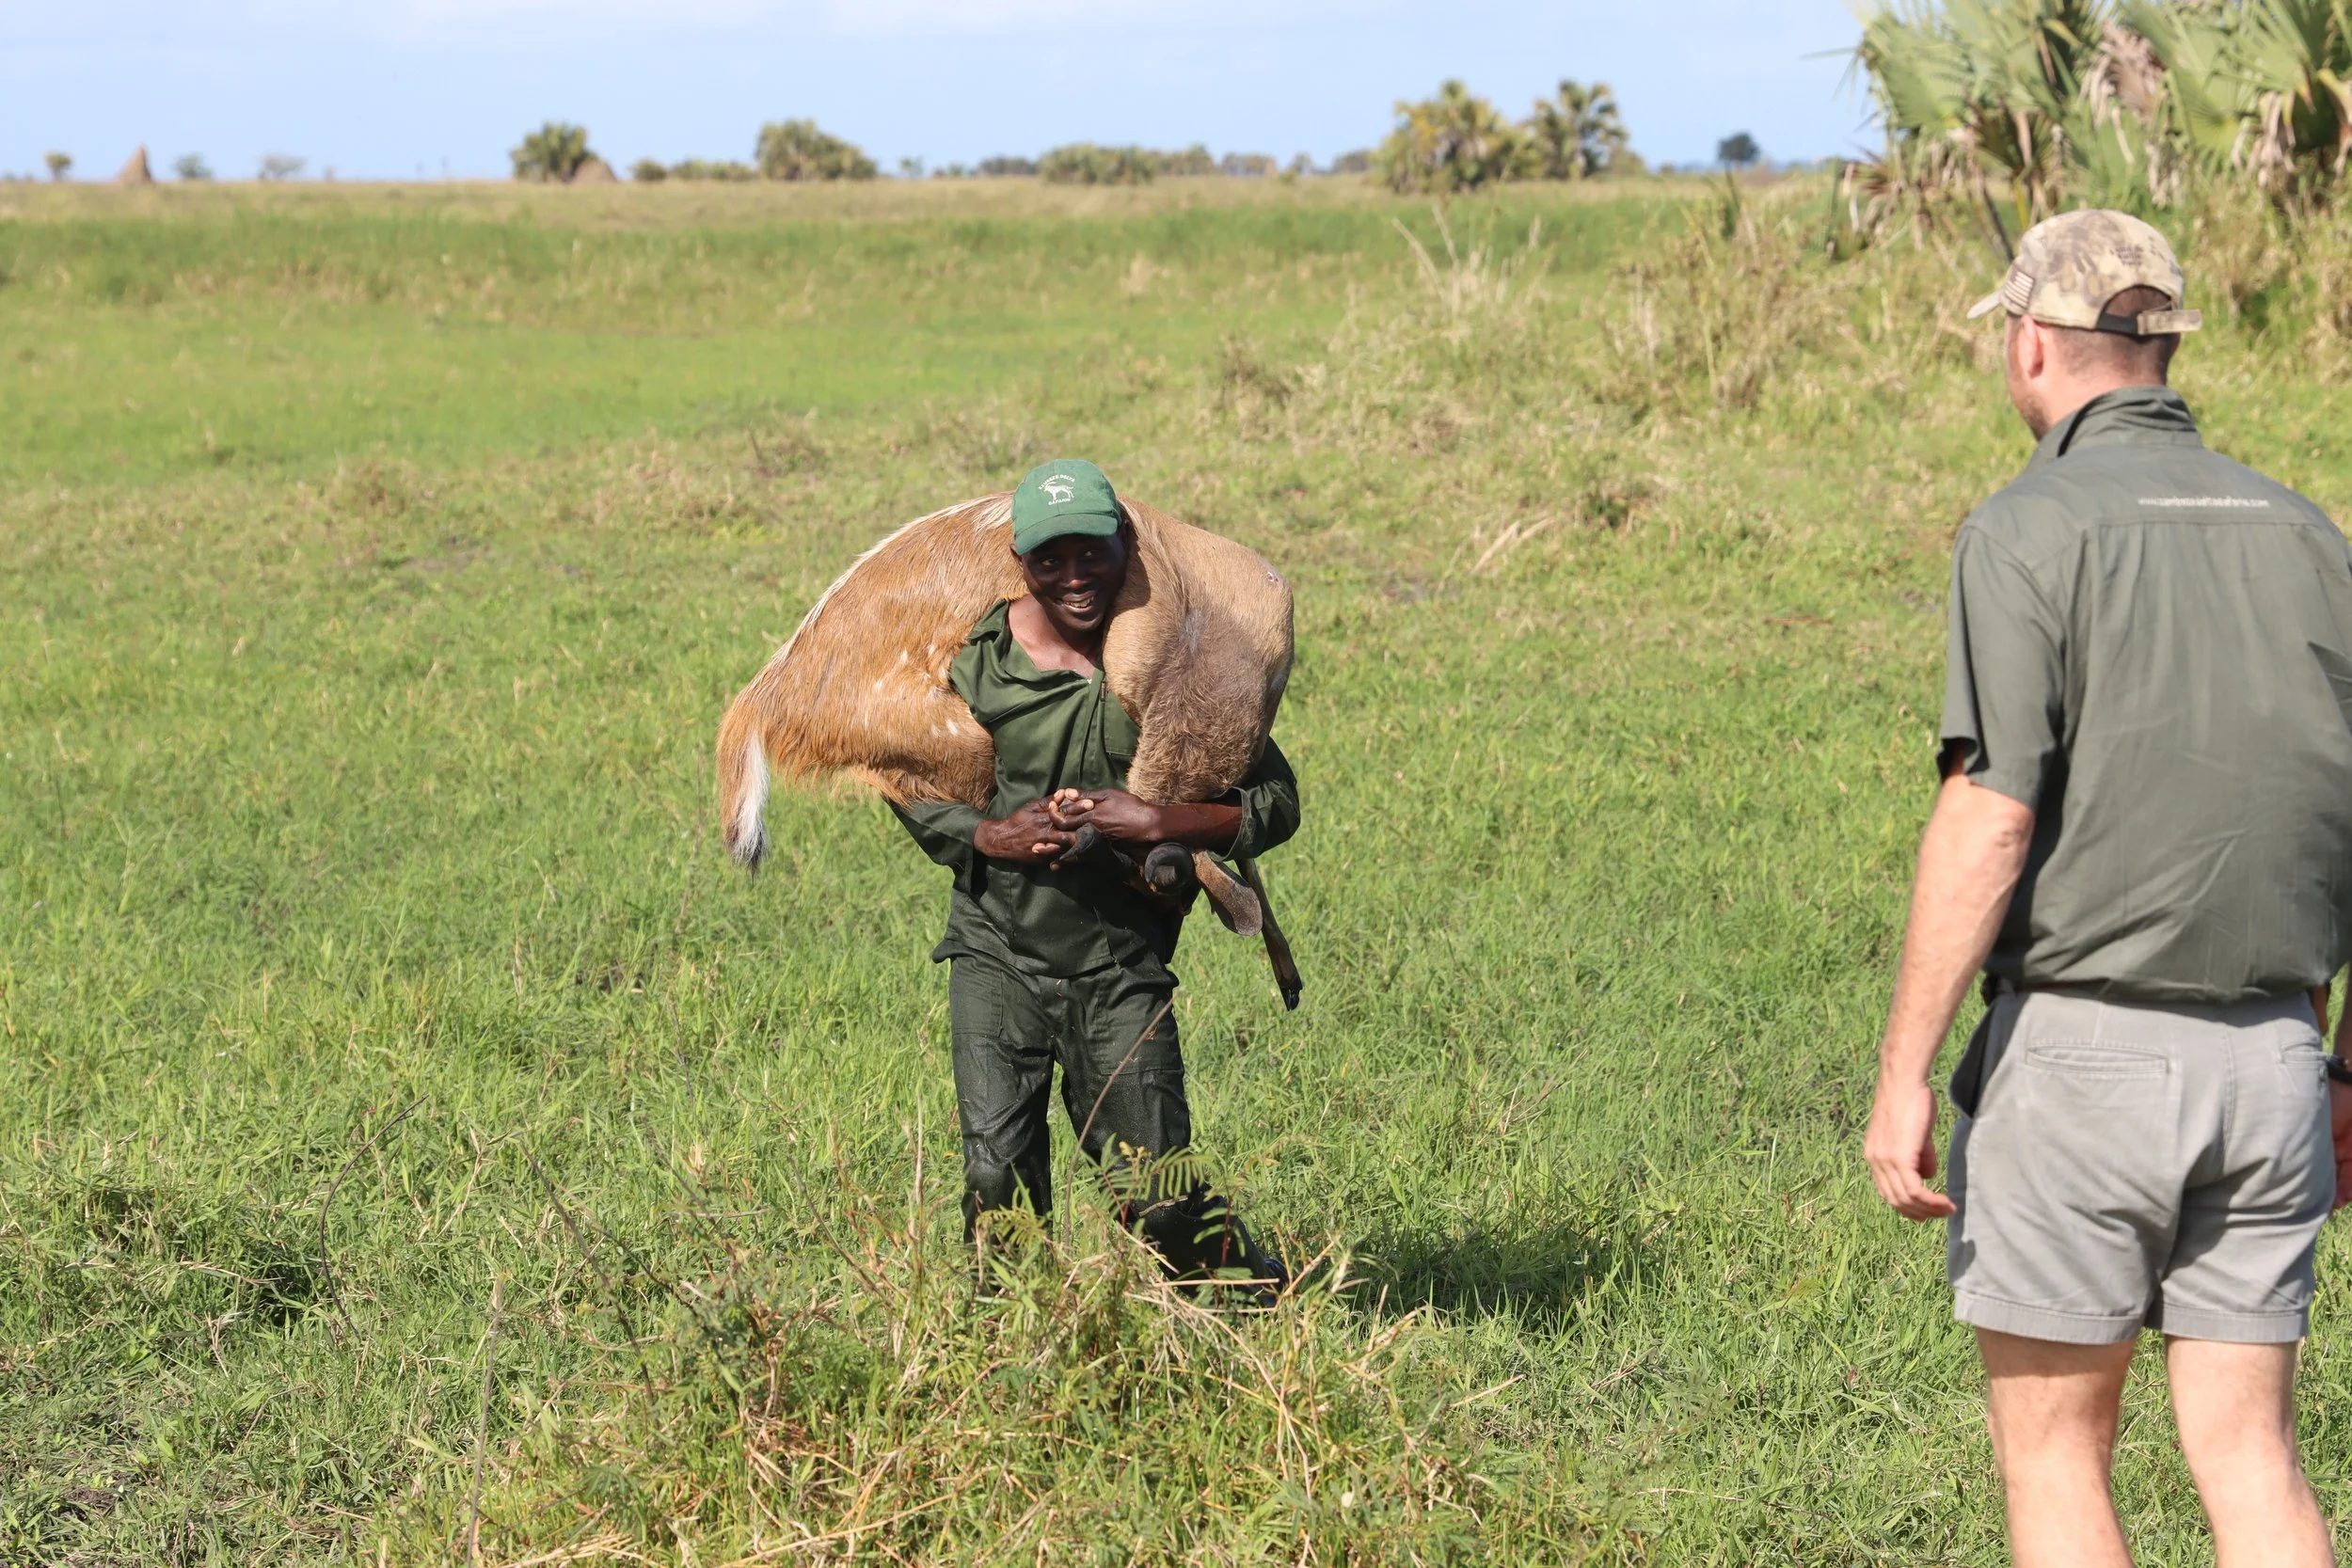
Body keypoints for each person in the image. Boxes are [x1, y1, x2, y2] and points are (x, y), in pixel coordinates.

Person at [1863, 210, 2352, 1567]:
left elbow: (1990, 810)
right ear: (2169, 342)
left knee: (2058, 1456)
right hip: (2275, 1062)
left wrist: (1905, 1066)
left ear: (2028, 343)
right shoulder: (2313, 534)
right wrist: (2346, 1075)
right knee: (2252, 1457)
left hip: (2081, 1060)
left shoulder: (2025, 530)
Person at [892, 457, 1297, 1298]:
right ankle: (1017, 1358)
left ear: (1128, 544)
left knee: (1155, 1194)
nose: (1074, 577)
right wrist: (990, 835)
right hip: (996, 955)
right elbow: (904, 773)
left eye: (1093, 552)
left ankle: (1248, 1288)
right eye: (1050, 559)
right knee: (997, 1181)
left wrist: (1154, 823)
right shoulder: (977, 660)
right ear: (1020, 560)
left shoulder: (1180, 657)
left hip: (1120, 971)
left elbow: (1276, 801)